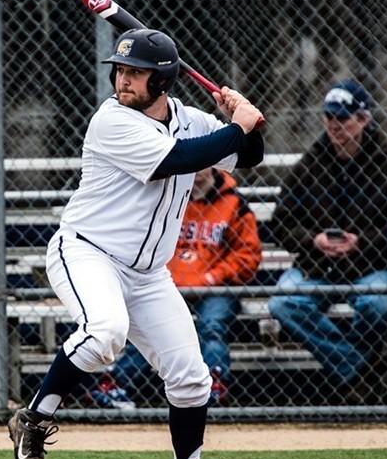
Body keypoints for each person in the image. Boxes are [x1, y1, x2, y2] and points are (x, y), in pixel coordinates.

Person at [6, 28, 265, 459]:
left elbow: (245, 159)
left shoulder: (189, 118)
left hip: (148, 273)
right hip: (88, 252)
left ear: (162, 79)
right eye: (120, 70)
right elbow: (179, 159)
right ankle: (34, 419)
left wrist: (244, 123)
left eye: (136, 72)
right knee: (106, 330)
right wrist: (239, 126)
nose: (123, 80)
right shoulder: (111, 121)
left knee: (191, 377)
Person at [266, 80, 387, 405]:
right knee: (283, 303)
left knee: (375, 304)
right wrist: (314, 239)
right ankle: (358, 369)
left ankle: (353, 374)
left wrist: (362, 242)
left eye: (343, 119)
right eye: (329, 118)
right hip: (317, 266)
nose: (334, 126)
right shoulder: (309, 167)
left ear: (363, 120)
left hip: (371, 266)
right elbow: (280, 223)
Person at [87, 167, 263, 409]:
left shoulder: (234, 202)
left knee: (212, 325)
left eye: (204, 161)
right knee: (151, 329)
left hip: (215, 287)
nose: (197, 168)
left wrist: (212, 278)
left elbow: (248, 256)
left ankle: (213, 384)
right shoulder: (167, 196)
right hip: (169, 282)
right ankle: (116, 386)